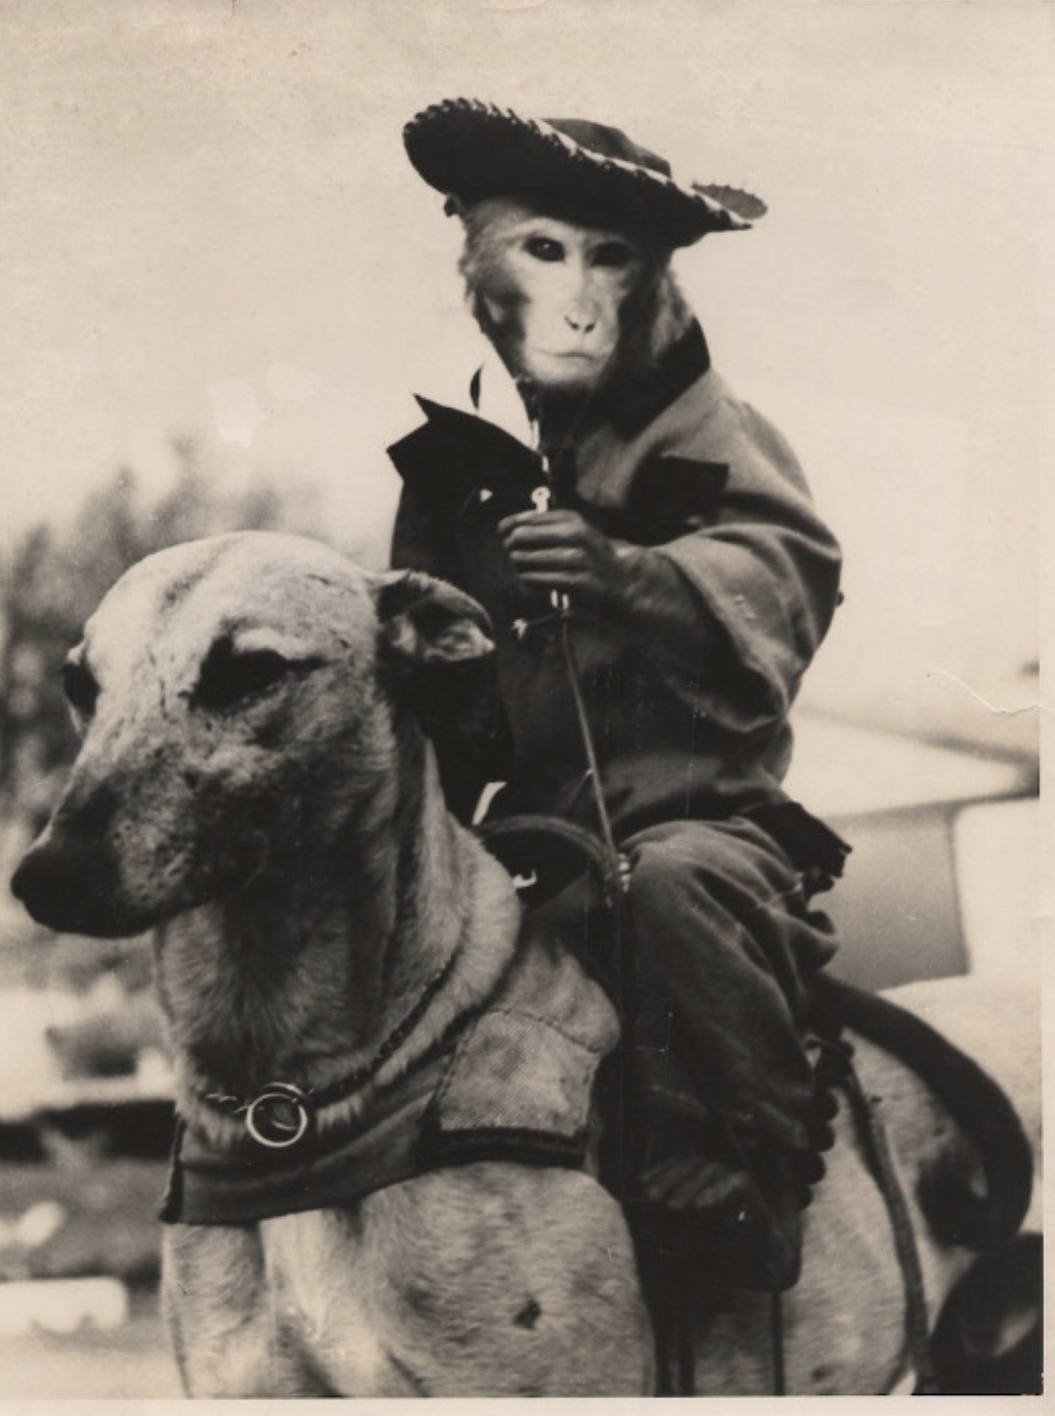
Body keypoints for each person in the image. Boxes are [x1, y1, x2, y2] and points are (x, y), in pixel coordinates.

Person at [386, 99, 848, 1293]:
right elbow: (438, 700)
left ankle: (750, 1162)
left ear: (650, 281)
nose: (579, 294)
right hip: (534, 842)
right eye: (543, 249)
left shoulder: (708, 433)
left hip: (702, 832)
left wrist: (632, 577)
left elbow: (788, 575)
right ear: (476, 260)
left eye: (611, 258)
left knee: (672, 882)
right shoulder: (463, 468)